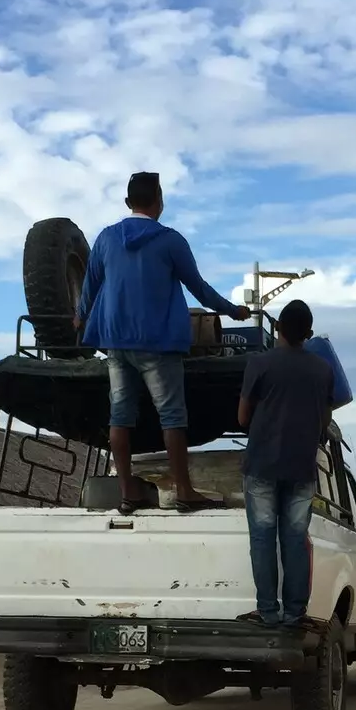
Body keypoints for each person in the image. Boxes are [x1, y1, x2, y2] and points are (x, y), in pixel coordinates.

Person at [74, 172, 250, 513]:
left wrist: (81, 315)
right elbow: (198, 288)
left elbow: (90, 283)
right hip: (156, 341)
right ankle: (184, 491)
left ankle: (128, 492)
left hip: (114, 340)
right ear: (160, 201)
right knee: (171, 415)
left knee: (120, 416)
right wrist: (232, 310)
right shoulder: (170, 241)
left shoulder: (107, 239)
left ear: (128, 203)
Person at [236, 299, 334, 628]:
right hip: (301, 468)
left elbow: (242, 417)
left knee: (263, 539)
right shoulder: (323, 369)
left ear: (277, 328)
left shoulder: (259, 363)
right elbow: (325, 422)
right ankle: (294, 613)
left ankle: (267, 612)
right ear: (308, 333)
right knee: (294, 540)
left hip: (262, 465)